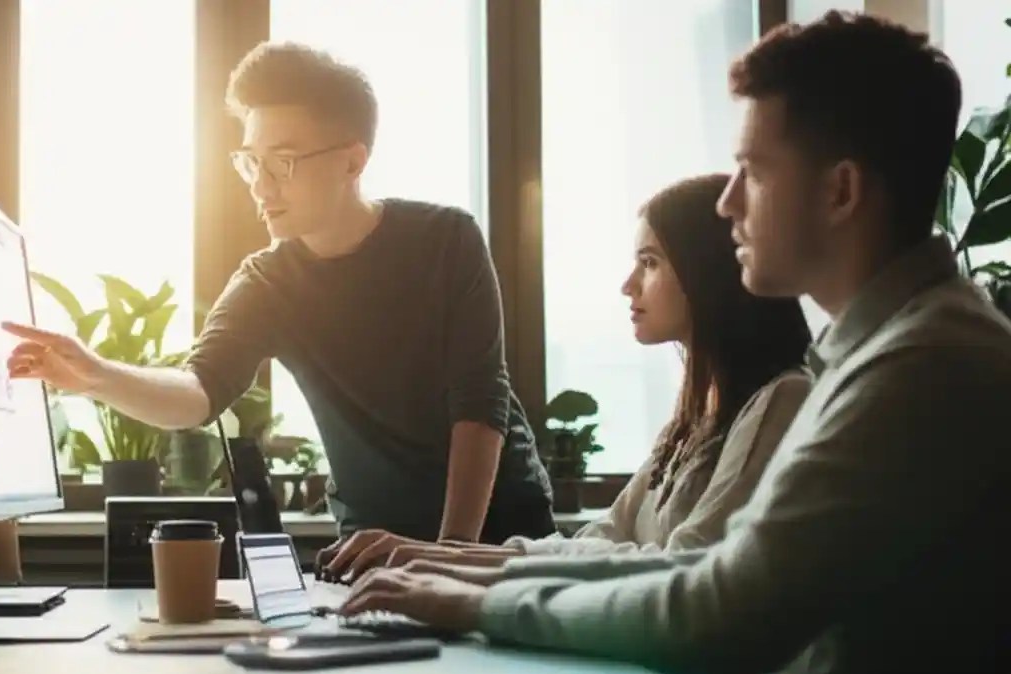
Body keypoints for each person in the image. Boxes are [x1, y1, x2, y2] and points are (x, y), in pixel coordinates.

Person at [338, 12, 1011, 674]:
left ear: (840, 191)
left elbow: (722, 612)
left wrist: (478, 604)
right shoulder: (894, 349)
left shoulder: (925, 365)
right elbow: (716, 571)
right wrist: (464, 581)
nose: (727, 203)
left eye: (752, 172)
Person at [3, 41, 555, 548]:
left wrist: (448, 556)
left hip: (498, 539)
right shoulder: (267, 281)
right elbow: (199, 391)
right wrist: (97, 375)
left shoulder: (446, 240)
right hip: (371, 544)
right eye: (251, 162)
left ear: (352, 161)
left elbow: (479, 405)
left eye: (283, 164)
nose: (261, 187)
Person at [324, 173, 813, 579]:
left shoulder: (781, 400)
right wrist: (442, 557)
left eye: (650, 262)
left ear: (706, 272)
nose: (628, 285)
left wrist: (456, 568)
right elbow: (605, 539)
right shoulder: (695, 416)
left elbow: (681, 566)